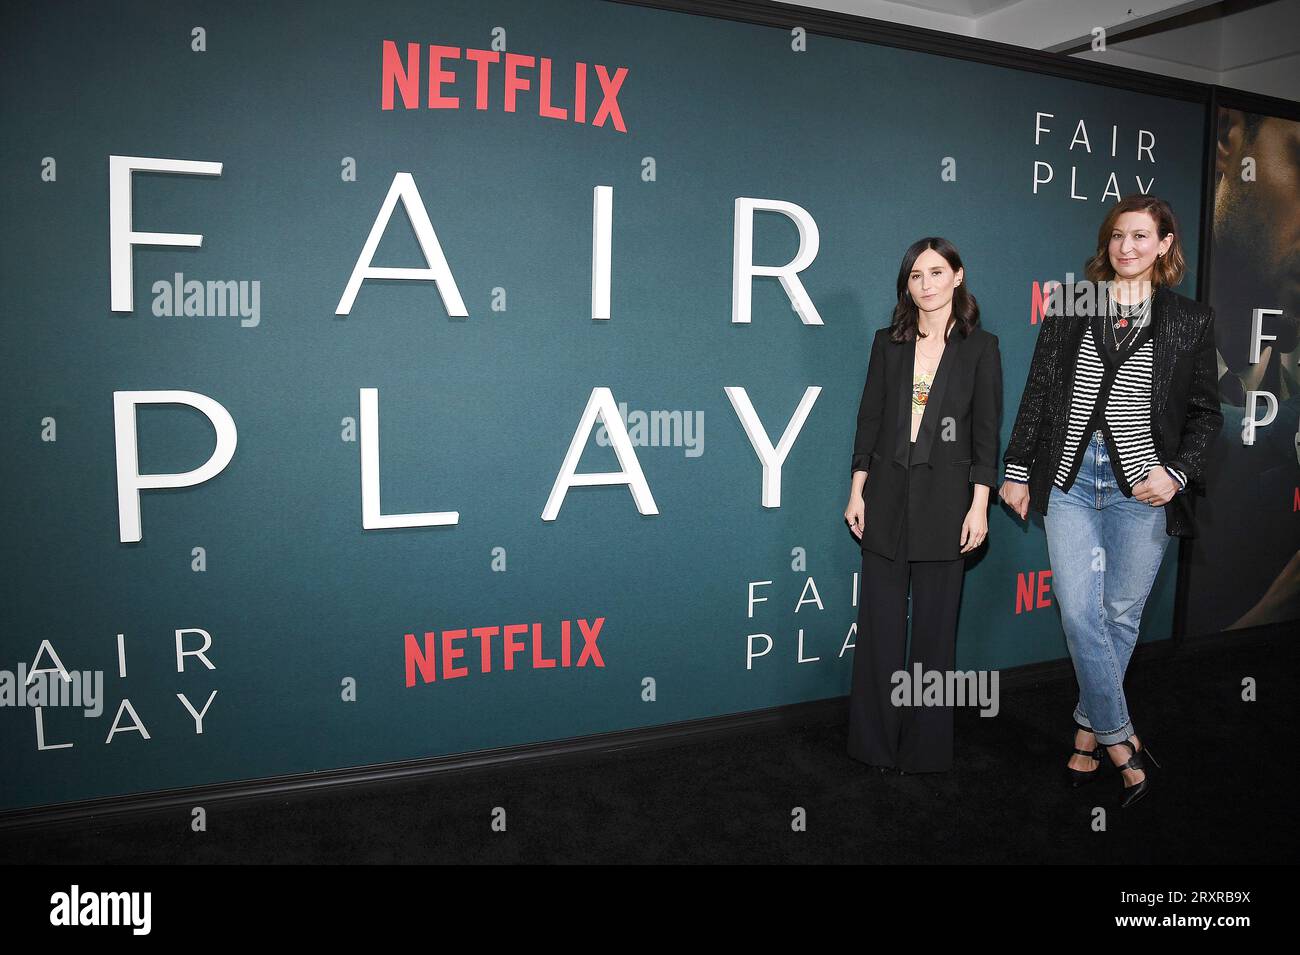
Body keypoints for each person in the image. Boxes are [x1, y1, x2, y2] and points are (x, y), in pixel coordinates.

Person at [998, 195, 1224, 807]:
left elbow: (1206, 415)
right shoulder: (1073, 308)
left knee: (1120, 616)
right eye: (1119, 235)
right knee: (1079, 614)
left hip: (1142, 489)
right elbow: (1038, 394)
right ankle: (1121, 739)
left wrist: (1176, 474)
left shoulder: (1190, 319)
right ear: (1108, 242)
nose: (1127, 247)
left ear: (1165, 245)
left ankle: (1086, 728)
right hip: (1070, 479)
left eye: (1142, 236)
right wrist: (1017, 471)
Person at [844, 237, 1002, 774]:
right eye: (915, 275)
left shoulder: (981, 348)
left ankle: (925, 750)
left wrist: (979, 506)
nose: (926, 283)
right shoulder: (886, 344)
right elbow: (869, 419)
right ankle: (874, 745)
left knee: (935, 635)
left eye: (937, 272)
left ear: (958, 276)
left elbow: (986, 436)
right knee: (880, 629)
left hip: (947, 505)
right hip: (886, 498)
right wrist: (856, 489)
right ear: (906, 285)